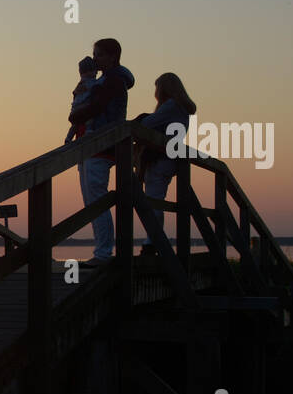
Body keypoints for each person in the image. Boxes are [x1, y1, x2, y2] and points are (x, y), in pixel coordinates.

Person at [68, 39, 135, 266]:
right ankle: (102, 251)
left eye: (99, 55)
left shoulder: (114, 81)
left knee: (97, 199)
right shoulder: (104, 80)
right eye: (94, 54)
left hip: (101, 145)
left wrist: (77, 113)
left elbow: (96, 108)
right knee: (92, 201)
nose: (95, 59)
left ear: (112, 57)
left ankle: (104, 253)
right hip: (89, 144)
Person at [133, 72, 196, 254]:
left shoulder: (171, 106)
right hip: (170, 160)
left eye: (157, 87)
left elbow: (148, 124)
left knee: (153, 200)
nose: (155, 91)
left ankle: (153, 241)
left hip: (160, 159)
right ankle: (153, 240)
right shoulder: (182, 108)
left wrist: (138, 120)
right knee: (156, 200)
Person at [65, 57, 101, 144]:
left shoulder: (80, 83)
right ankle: (89, 130)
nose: (96, 73)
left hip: (75, 108)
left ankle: (69, 137)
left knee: (75, 125)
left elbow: (74, 93)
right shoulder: (93, 82)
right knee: (89, 118)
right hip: (85, 106)